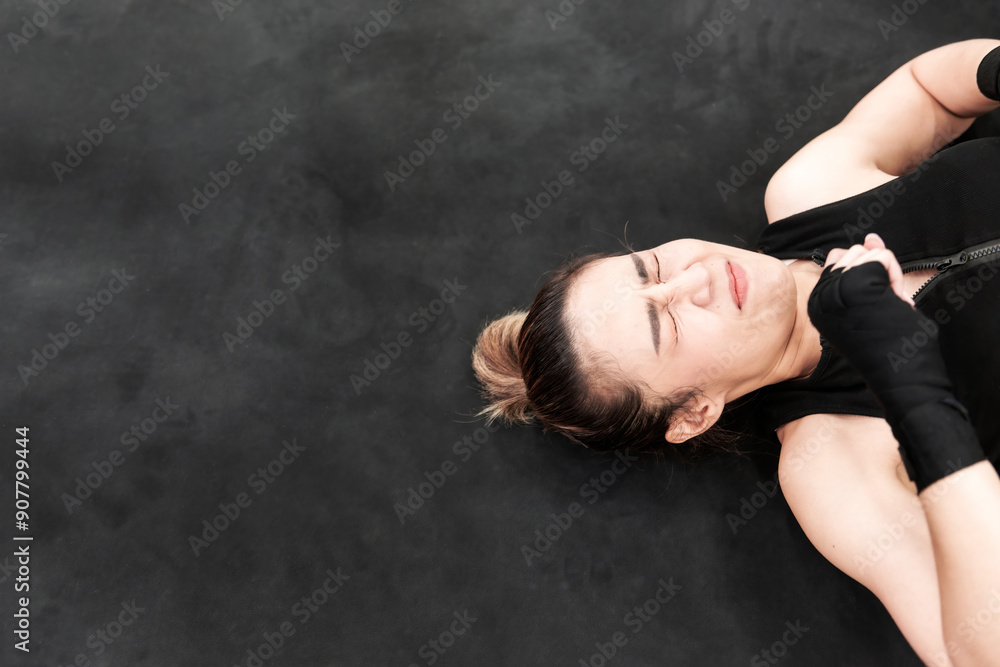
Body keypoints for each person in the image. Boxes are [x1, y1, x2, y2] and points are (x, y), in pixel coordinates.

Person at [472, 39, 1000, 666]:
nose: (694, 279)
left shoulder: (809, 192)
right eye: (663, 323)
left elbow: (928, 89)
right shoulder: (831, 464)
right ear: (694, 412)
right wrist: (905, 374)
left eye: (652, 266)